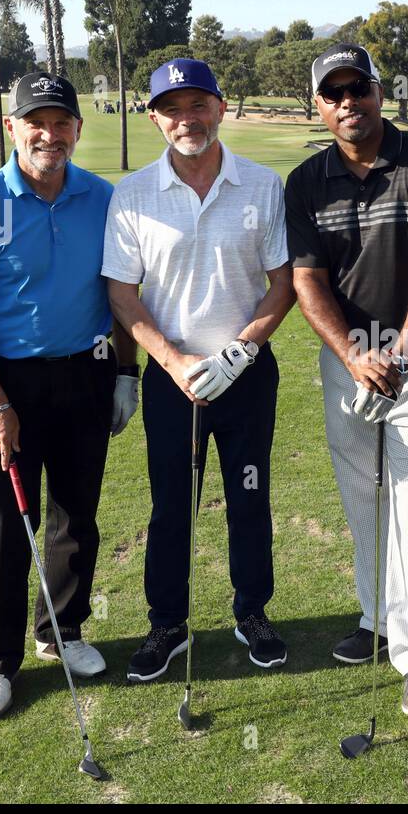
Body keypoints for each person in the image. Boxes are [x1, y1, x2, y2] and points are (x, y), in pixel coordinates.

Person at [0, 71, 139, 718]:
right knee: (0, 526)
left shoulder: (103, 198)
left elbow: (121, 292)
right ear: (12, 128)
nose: (48, 133)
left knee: (75, 516)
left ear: (78, 128)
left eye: (60, 122)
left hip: (85, 372)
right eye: (35, 121)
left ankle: (64, 631)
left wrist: (125, 373)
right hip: (7, 383)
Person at [285, 43, 408, 717]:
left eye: (357, 88)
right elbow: (307, 279)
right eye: (333, 93)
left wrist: (400, 354)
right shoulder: (305, 181)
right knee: (365, 502)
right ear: (320, 105)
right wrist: (356, 355)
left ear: (378, 91)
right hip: (348, 362)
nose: (347, 103)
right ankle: (378, 618)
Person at [104, 58, 295, 680]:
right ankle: (168, 625)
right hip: (173, 380)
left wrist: (240, 351)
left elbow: (284, 282)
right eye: (172, 109)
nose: (186, 119)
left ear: (220, 108)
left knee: (248, 497)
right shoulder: (132, 194)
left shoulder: (263, 185)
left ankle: (252, 613)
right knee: (170, 507)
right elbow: (123, 295)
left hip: (246, 374)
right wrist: (174, 363)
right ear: (155, 118)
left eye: (198, 105)